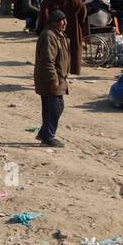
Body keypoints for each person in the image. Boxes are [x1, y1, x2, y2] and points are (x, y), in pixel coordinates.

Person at [34, 9, 71, 147]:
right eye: (62, 20)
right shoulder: (49, 36)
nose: (65, 23)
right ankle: (48, 137)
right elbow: (47, 60)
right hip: (49, 80)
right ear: (54, 22)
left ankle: (44, 133)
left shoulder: (58, 35)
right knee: (53, 108)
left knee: (58, 107)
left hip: (59, 78)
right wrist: (53, 80)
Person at [37, 0, 88, 74]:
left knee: (57, 51)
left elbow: (44, 13)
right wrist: (80, 23)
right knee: (59, 51)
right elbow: (83, 11)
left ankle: (61, 71)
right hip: (69, 30)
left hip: (56, 29)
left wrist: (44, 27)